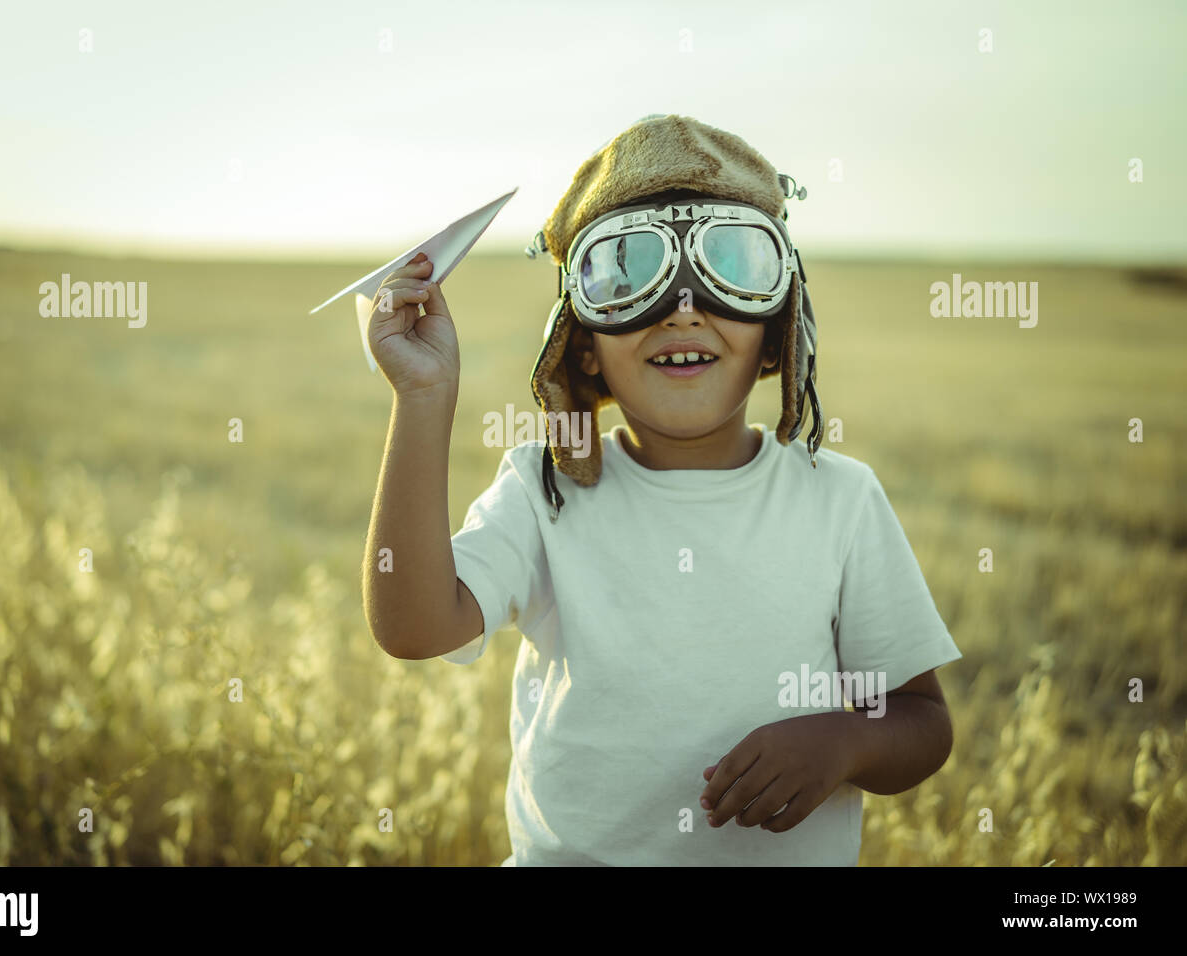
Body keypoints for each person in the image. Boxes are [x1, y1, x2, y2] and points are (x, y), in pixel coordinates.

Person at [361, 113, 962, 866]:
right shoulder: (542, 492)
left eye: (731, 268)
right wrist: (422, 397)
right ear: (580, 344)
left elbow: (922, 723)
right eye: (628, 273)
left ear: (778, 330)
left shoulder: (840, 500)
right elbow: (412, 627)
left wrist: (845, 740)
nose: (683, 307)